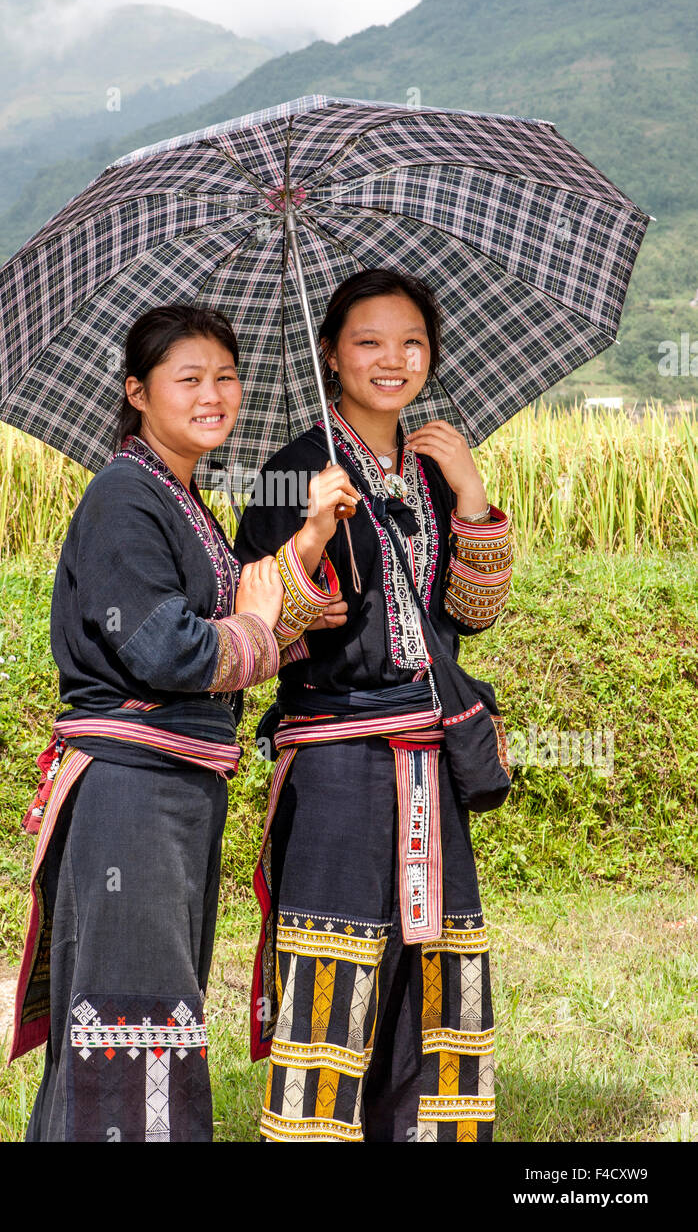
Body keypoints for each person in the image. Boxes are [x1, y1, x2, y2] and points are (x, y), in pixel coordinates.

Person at [10, 304, 327, 1143]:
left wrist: (314, 539)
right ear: (137, 393)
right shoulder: (125, 495)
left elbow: (238, 617)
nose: (213, 394)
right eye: (187, 379)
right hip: (131, 793)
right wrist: (259, 629)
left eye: (225, 375)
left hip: (174, 792)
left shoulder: (181, 498)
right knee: (132, 1012)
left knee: (147, 1006)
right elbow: (162, 647)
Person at [234, 267, 514, 1143]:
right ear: (331, 354)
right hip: (337, 763)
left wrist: (470, 492)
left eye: (411, 342)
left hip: (431, 755)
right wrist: (314, 531)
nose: (392, 360)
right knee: (337, 962)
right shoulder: (292, 472)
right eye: (368, 342)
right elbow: (261, 632)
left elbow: (471, 615)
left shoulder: (431, 470)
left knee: (429, 962)